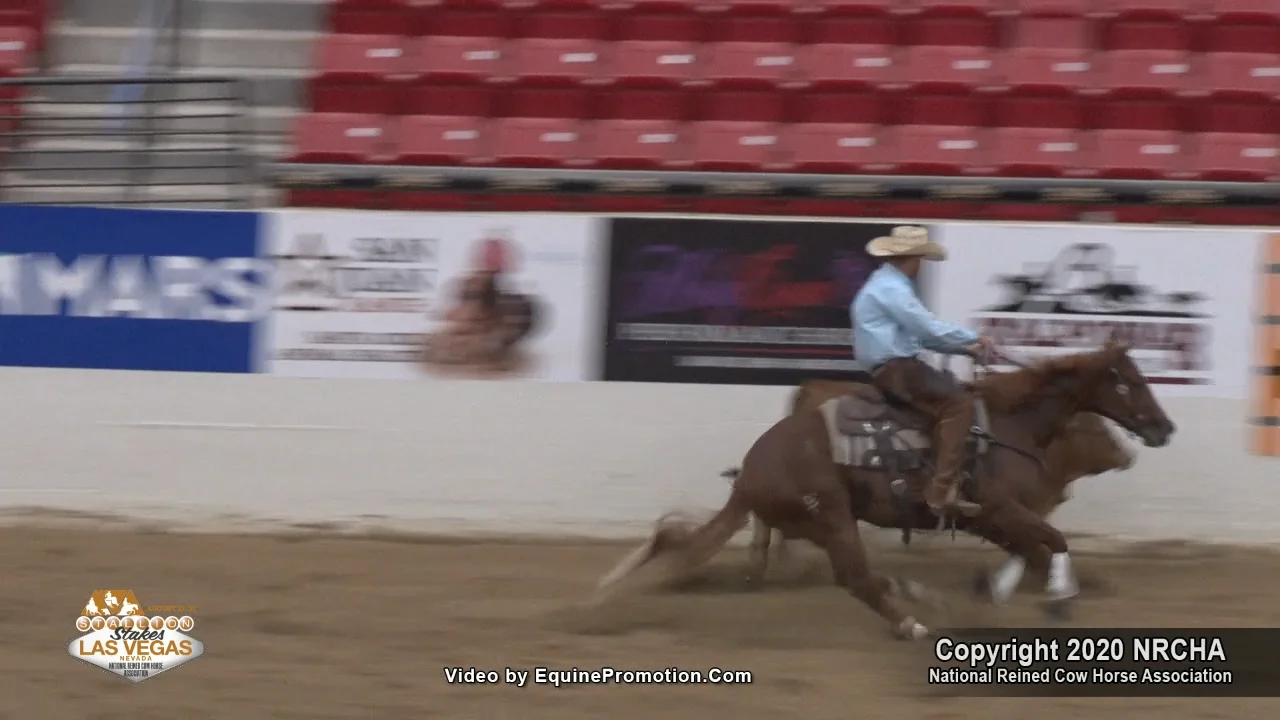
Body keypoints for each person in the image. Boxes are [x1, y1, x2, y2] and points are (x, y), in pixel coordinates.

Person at [852, 226, 996, 517]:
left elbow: (923, 336)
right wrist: (973, 338)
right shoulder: (892, 289)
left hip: (893, 367)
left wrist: (965, 349)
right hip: (898, 369)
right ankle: (941, 491)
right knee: (960, 403)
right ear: (914, 257)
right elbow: (927, 327)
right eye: (920, 258)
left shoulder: (886, 285)